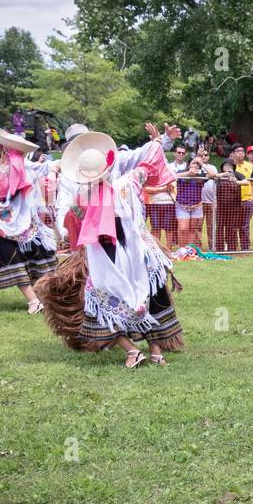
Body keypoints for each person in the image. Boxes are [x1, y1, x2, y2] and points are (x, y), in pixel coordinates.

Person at [34, 130, 183, 367]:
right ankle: (156, 351)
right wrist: (158, 141)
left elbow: (70, 226)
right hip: (139, 254)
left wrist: (67, 233)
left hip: (107, 259)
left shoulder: (83, 199)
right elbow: (147, 163)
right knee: (152, 294)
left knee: (97, 299)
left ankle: (132, 351)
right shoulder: (128, 182)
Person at [0, 127, 57, 311]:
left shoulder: (17, 163)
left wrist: (57, 166)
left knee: (37, 256)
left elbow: (40, 168)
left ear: (2, 146)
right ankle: (31, 301)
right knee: (6, 256)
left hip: (24, 220)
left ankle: (48, 298)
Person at [229, 144, 253, 250]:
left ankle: (245, 247)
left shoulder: (249, 165)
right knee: (233, 225)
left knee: (245, 225)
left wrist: (252, 196)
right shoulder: (229, 166)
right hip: (233, 201)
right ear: (233, 154)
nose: (240, 153)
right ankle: (232, 247)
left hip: (247, 200)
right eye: (238, 151)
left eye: (242, 151)